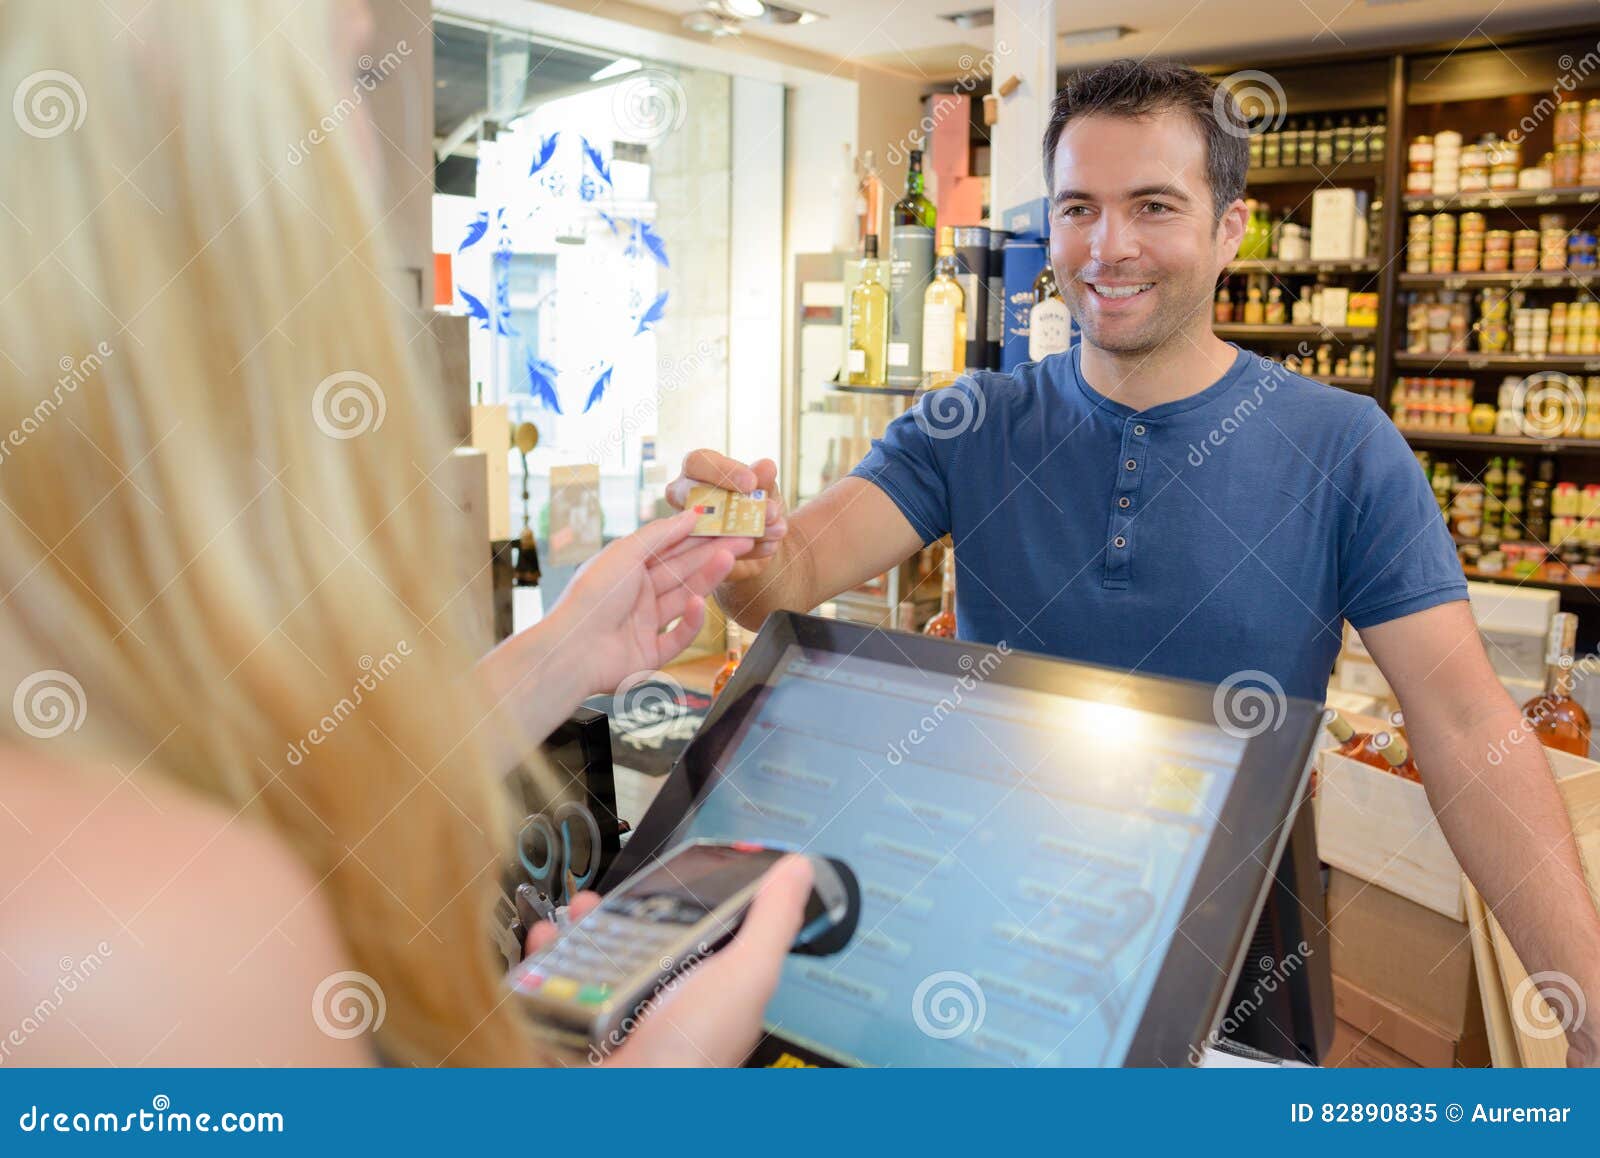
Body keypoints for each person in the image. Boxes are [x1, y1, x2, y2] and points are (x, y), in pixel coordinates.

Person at [671, 59, 1600, 1066]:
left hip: (1237, 958)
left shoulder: (1343, 446)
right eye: (1079, 208)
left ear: (1229, 228)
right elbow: (787, 577)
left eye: (1153, 205)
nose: (1108, 246)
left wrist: (1588, 1010)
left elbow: (1467, 728)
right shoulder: (968, 423)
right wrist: (735, 541)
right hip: (981, 927)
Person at [0, 0, 811, 1067]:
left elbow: (309, 799)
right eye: (341, 67)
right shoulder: (140, 948)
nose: (366, 151)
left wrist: (567, 649)